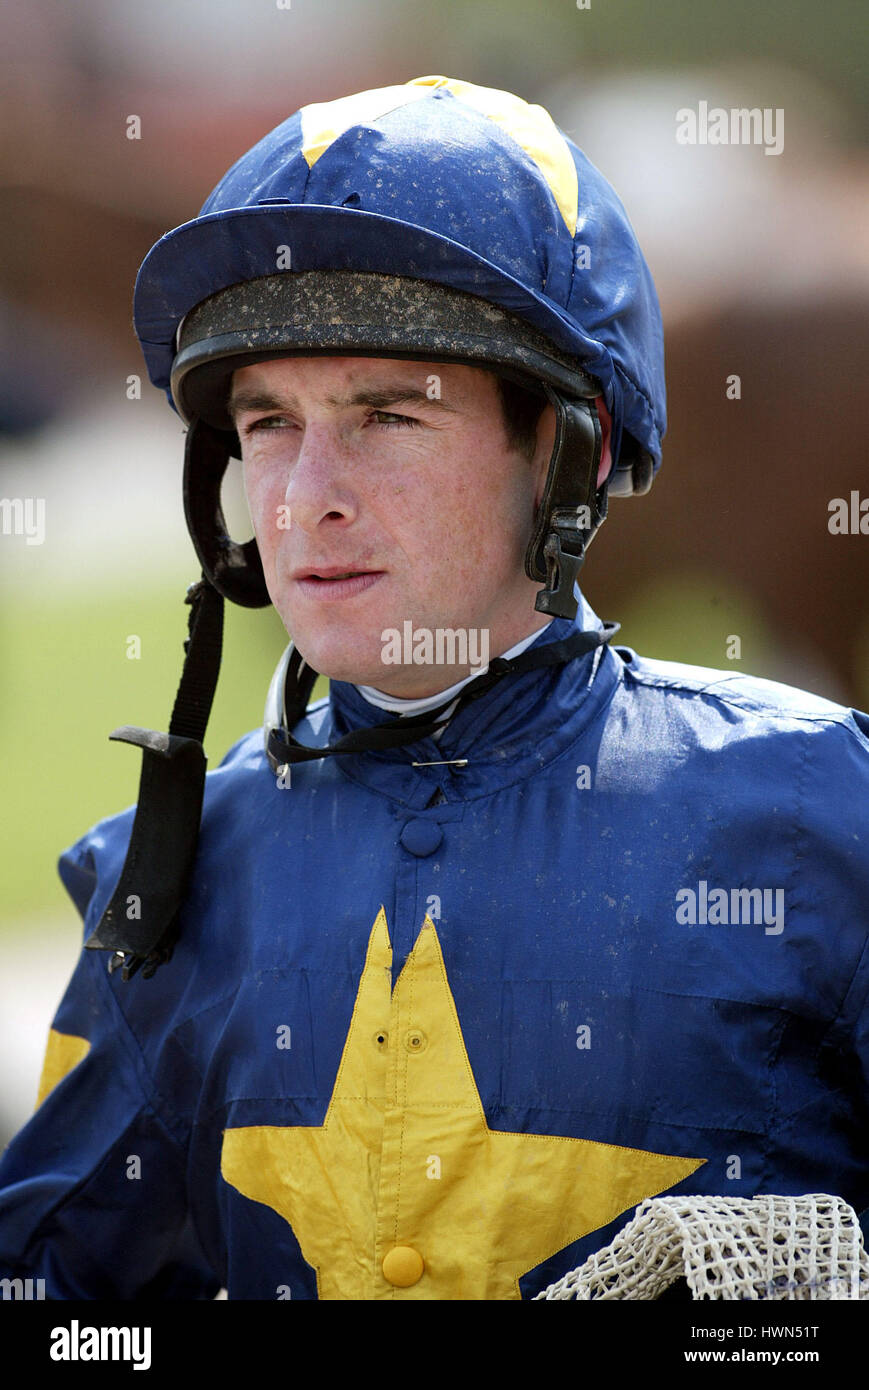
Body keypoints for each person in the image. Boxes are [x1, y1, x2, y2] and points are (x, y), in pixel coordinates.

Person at [1, 75, 867, 1302]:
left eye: (388, 416)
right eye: (267, 423)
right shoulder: (161, 875)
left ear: (572, 452)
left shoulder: (821, 809)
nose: (307, 496)